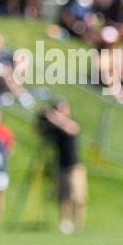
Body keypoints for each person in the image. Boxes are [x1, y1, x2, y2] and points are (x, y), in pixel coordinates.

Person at [38, 100, 86, 233]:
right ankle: (64, 223)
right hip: (61, 165)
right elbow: (42, 134)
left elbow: (70, 128)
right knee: (63, 197)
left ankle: (78, 225)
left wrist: (53, 117)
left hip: (75, 166)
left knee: (78, 197)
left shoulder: (71, 123)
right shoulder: (54, 128)